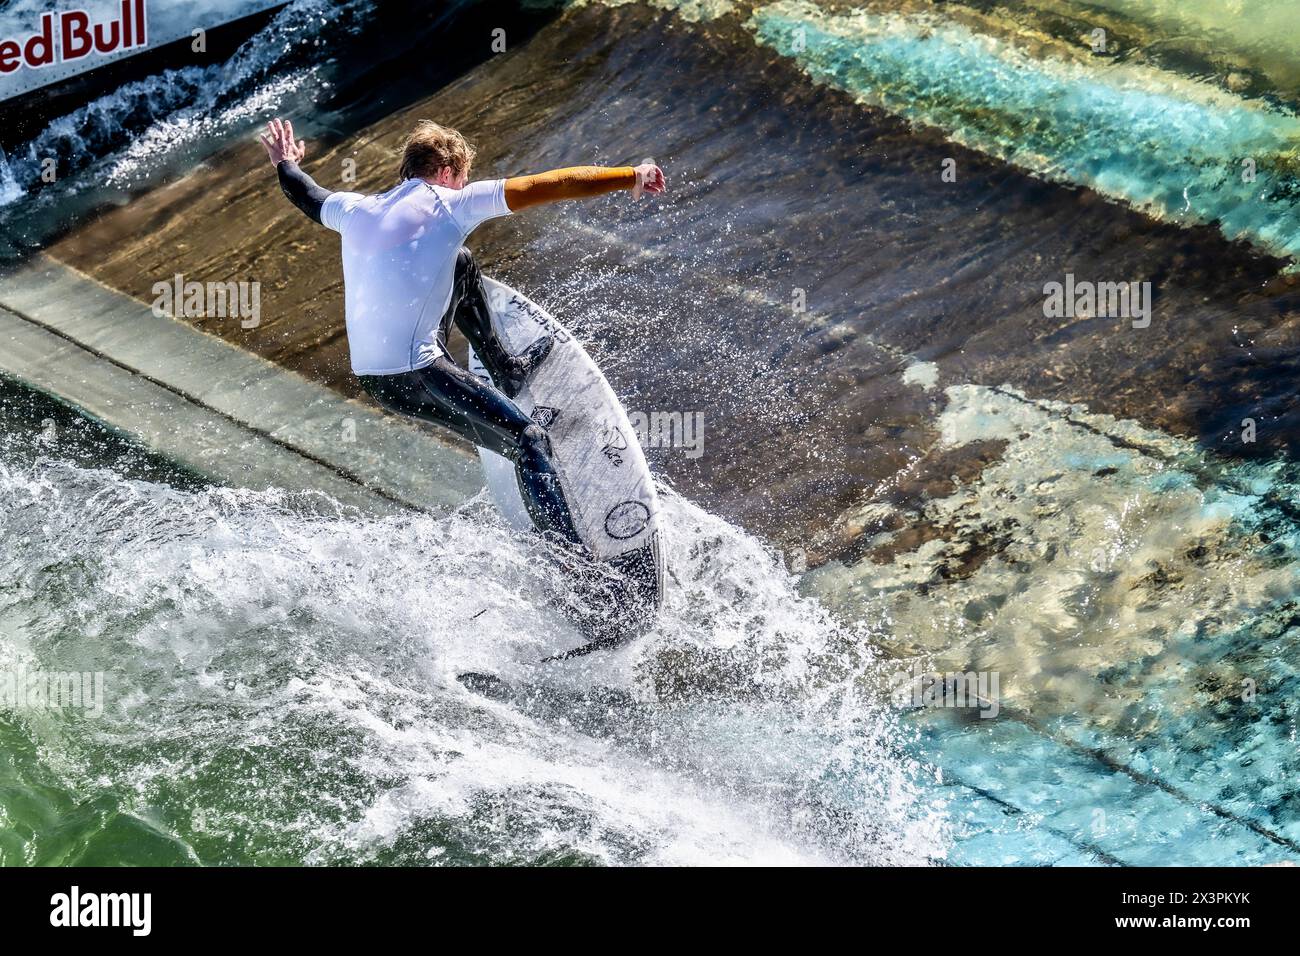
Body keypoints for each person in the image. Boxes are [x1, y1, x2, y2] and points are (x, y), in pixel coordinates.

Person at [260, 117, 665, 543]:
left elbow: (302, 191)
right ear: (449, 171)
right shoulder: (451, 203)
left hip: (375, 381)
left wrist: (285, 161)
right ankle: (576, 569)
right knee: (529, 441)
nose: (464, 183)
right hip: (419, 373)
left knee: (461, 260)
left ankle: (504, 370)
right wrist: (631, 175)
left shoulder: (352, 208)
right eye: (464, 176)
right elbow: (556, 183)